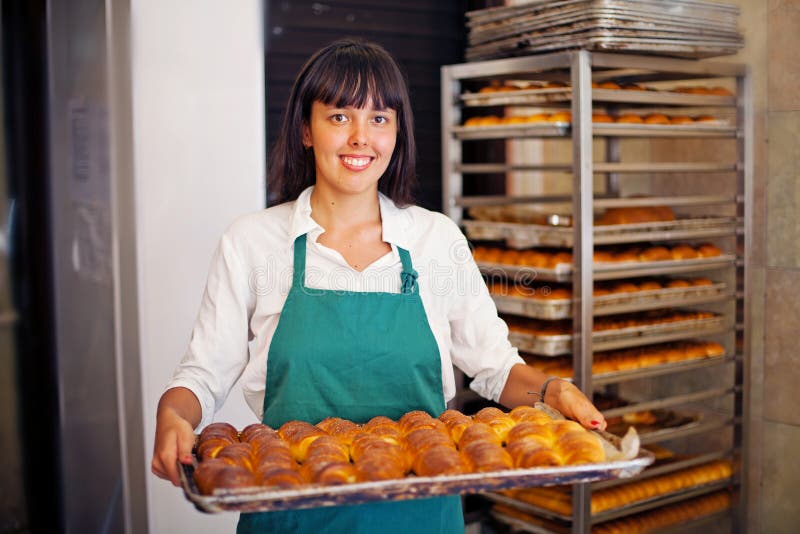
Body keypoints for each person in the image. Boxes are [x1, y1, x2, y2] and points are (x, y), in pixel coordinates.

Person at [151, 38, 606, 534]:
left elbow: (495, 367)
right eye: (340, 117)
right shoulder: (253, 242)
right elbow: (202, 375)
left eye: (379, 119)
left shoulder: (435, 239)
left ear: (397, 132)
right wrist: (172, 414)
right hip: (291, 519)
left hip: (420, 518)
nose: (360, 138)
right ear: (306, 129)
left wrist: (552, 390)